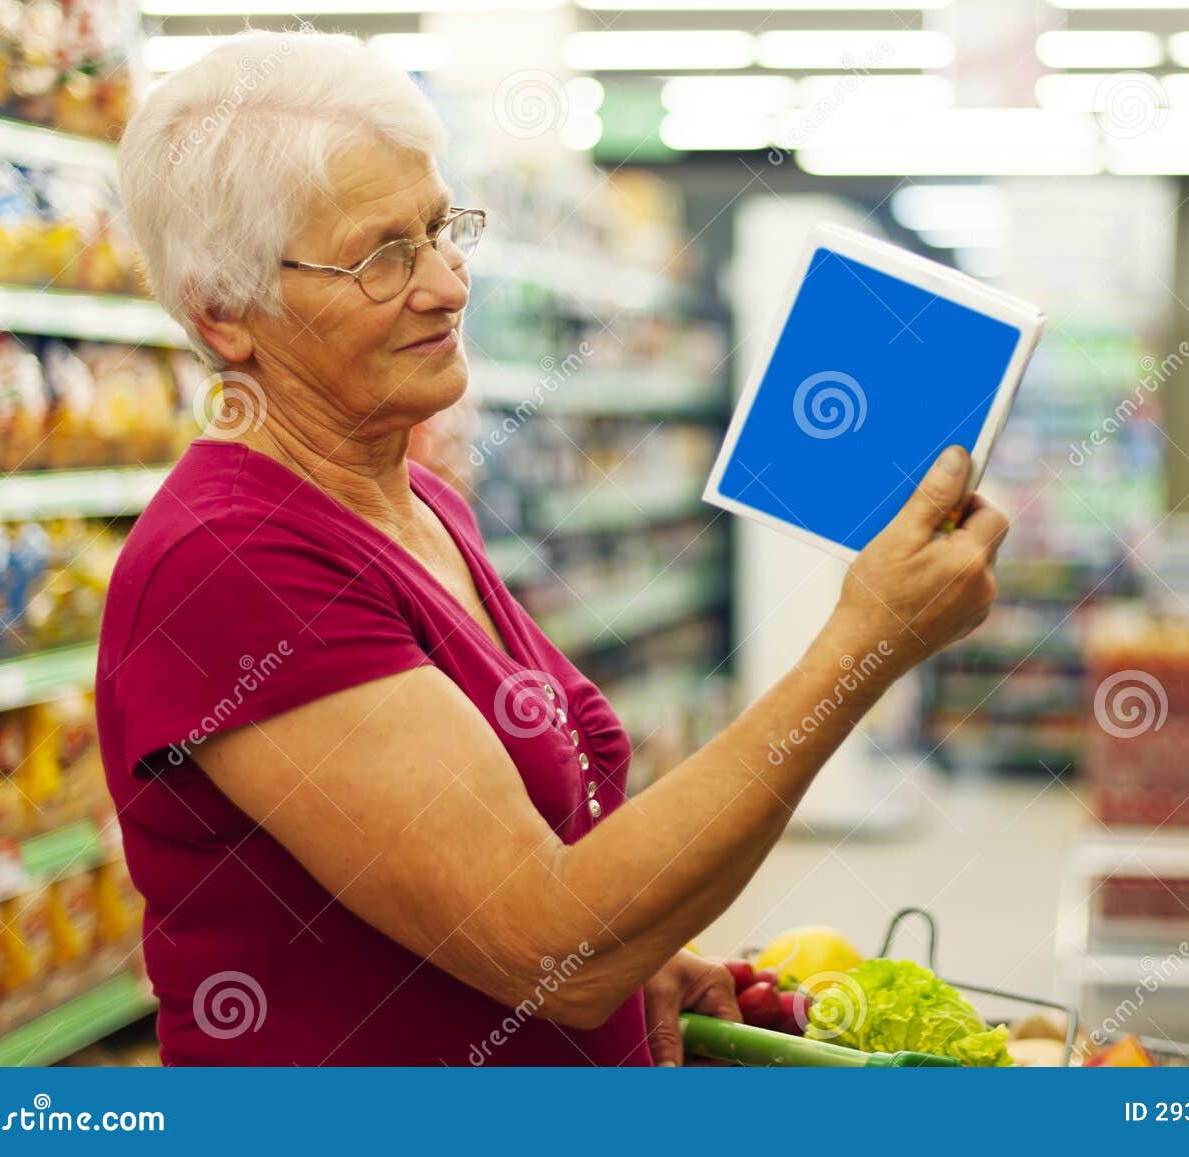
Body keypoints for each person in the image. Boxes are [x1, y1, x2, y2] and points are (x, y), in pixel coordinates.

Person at [96, 31, 1009, 1066]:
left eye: (441, 230)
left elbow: (535, 872)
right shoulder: (233, 563)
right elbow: (548, 948)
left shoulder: (425, 507)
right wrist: (866, 642)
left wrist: (644, 952)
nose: (445, 284)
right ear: (225, 313)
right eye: (383, 255)